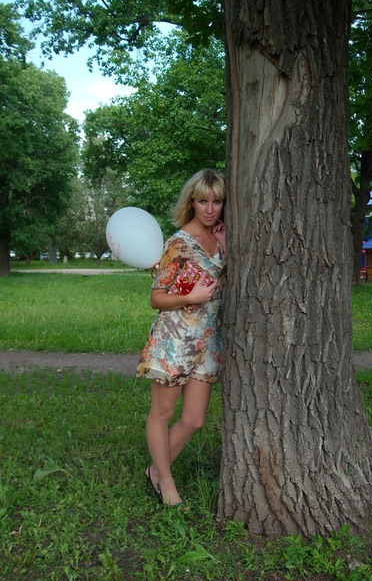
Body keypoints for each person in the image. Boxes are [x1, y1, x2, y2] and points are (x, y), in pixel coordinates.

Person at [136, 169, 227, 506]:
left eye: (217, 202)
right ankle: (166, 481)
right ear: (192, 202)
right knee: (162, 414)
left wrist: (227, 248)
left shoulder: (220, 237)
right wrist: (190, 297)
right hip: (174, 341)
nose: (210, 209)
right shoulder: (178, 243)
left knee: (194, 420)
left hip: (207, 342)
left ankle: (155, 470)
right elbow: (156, 298)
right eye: (203, 201)